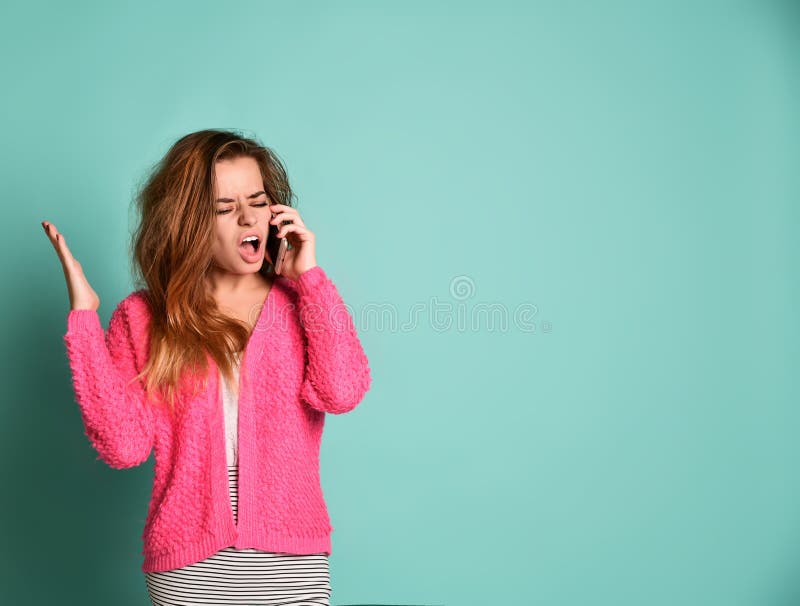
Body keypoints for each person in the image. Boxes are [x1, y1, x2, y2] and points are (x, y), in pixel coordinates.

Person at [42, 129, 372, 605]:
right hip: (189, 568)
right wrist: (84, 320)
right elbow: (123, 446)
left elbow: (342, 391)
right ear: (189, 221)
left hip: (292, 562)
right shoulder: (144, 317)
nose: (246, 217)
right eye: (223, 208)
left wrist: (311, 280)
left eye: (257, 201)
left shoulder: (300, 304)